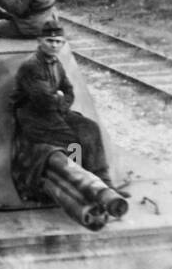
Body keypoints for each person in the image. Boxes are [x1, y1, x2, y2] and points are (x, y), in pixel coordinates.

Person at [11, 21, 113, 200]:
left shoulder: (56, 63)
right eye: (50, 41)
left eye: (59, 41)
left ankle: (104, 182)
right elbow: (44, 101)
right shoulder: (32, 66)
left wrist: (60, 100)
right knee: (73, 142)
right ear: (40, 41)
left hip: (57, 113)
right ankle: (79, 185)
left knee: (90, 129)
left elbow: (69, 92)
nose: (54, 45)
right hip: (34, 118)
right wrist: (58, 98)